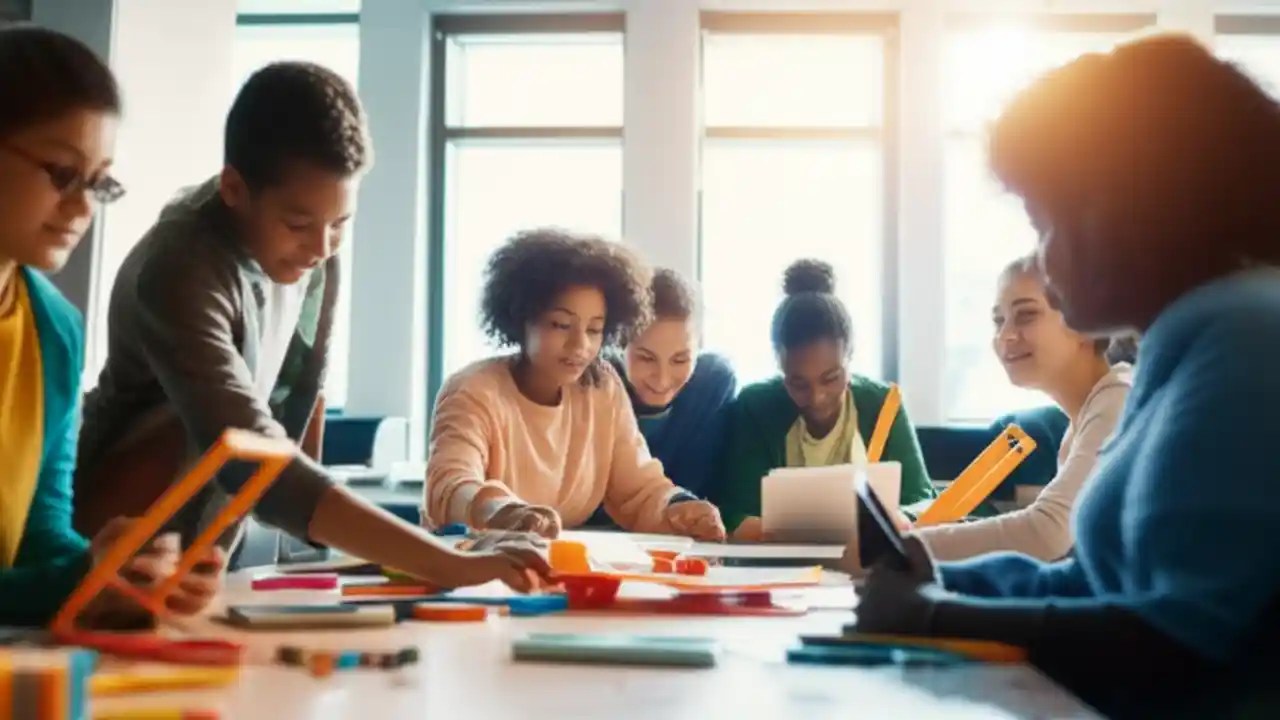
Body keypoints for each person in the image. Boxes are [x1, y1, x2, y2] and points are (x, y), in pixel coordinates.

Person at [852, 35, 1280, 716]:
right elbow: (1096, 581)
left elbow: (1175, 644)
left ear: (1130, 203)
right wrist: (937, 576)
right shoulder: (1190, 337)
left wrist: (934, 614)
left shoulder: (1247, 334)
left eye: (1045, 222)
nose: (1043, 259)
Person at [73, 62, 550, 593]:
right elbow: (247, 452)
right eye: (298, 224)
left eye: (340, 224)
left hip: (204, 565)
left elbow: (302, 390)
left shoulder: (315, 253)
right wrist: (446, 563)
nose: (322, 247)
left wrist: (312, 552)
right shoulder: (181, 267)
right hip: (110, 550)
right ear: (234, 187)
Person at [0, 25, 220, 626]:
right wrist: (71, 584)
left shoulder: (53, 329)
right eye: (63, 173)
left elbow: (39, 534)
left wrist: (121, 571)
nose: (82, 207)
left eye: (99, 182)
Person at [424, 229, 726, 541]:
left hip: (553, 567)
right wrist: (503, 513)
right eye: (561, 325)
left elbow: (638, 488)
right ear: (521, 318)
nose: (579, 344)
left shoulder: (601, 387)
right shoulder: (474, 390)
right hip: (467, 565)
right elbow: (450, 486)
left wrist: (681, 508)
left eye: (594, 329)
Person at [844, 255, 1131, 567]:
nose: (1004, 335)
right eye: (998, 320)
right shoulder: (1081, 423)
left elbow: (1046, 533)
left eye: (1026, 315)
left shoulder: (1118, 400)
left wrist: (900, 546)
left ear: (1083, 322)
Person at [716, 260, 933, 541]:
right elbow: (733, 511)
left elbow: (922, 500)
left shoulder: (883, 405)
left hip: (870, 563)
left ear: (850, 354)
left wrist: (900, 519)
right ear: (780, 365)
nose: (817, 398)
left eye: (831, 378)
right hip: (780, 566)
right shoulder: (755, 407)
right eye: (798, 383)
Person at [610, 268, 736, 499]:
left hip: (682, 522)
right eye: (646, 358)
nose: (662, 379)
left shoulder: (712, 384)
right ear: (620, 344)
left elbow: (700, 485)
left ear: (699, 347)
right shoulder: (599, 381)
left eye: (680, 359)